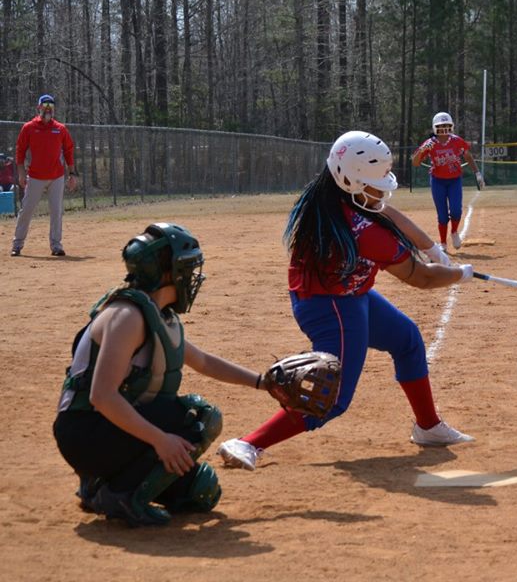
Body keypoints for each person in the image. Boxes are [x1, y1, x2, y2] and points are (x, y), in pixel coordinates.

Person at [217, 131, 475, 471]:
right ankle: (249, 443)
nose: (381, 190)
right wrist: (459, 274)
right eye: (375, 185)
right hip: (331, 307)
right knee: (332, 397)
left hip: (348, 294)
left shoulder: (331, 197)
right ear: (351, 181)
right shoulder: (363, 231)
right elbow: (421, 278)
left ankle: (428, 427)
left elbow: (389, 213)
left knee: (407, 338)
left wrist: (432, 249)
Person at [53, 222, 273, 526]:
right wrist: (160, 440)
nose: (192, 277)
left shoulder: (157, 315)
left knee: (200, 491)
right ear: (169, 273)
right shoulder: (127, 316)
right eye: (187, 267)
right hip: (85, 433)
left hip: (108, 430)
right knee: (200, 416)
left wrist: (264, 383)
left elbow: (204, 362)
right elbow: (102, 396)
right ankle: (121, 497)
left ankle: (100, 487)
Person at [11, 94, 78, 256]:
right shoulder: (29, 127)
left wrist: (72, 174)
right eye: (45, 106)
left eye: (51, 106)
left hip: (56, 176)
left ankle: (56, 246)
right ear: (39, 108)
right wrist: (21, 173)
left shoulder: (60, 128)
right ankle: (17, 244)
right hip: (35, 177)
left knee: (56, 211)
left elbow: (69, 151)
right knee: (26, 210)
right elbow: (20, 150)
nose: (48, 109)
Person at [411, 112, 484, 251]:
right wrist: (422, 150)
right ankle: (443, 243)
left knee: (456, 211)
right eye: (441, 125)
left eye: (446, 125)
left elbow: (468, 156)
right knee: (442, 215)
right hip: (437, 181)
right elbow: (415, 163)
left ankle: (454, 232)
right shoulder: (430, 144)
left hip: (454, 180)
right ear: (435, 127)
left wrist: (477, 173)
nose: (444, 128)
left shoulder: (457, 141)